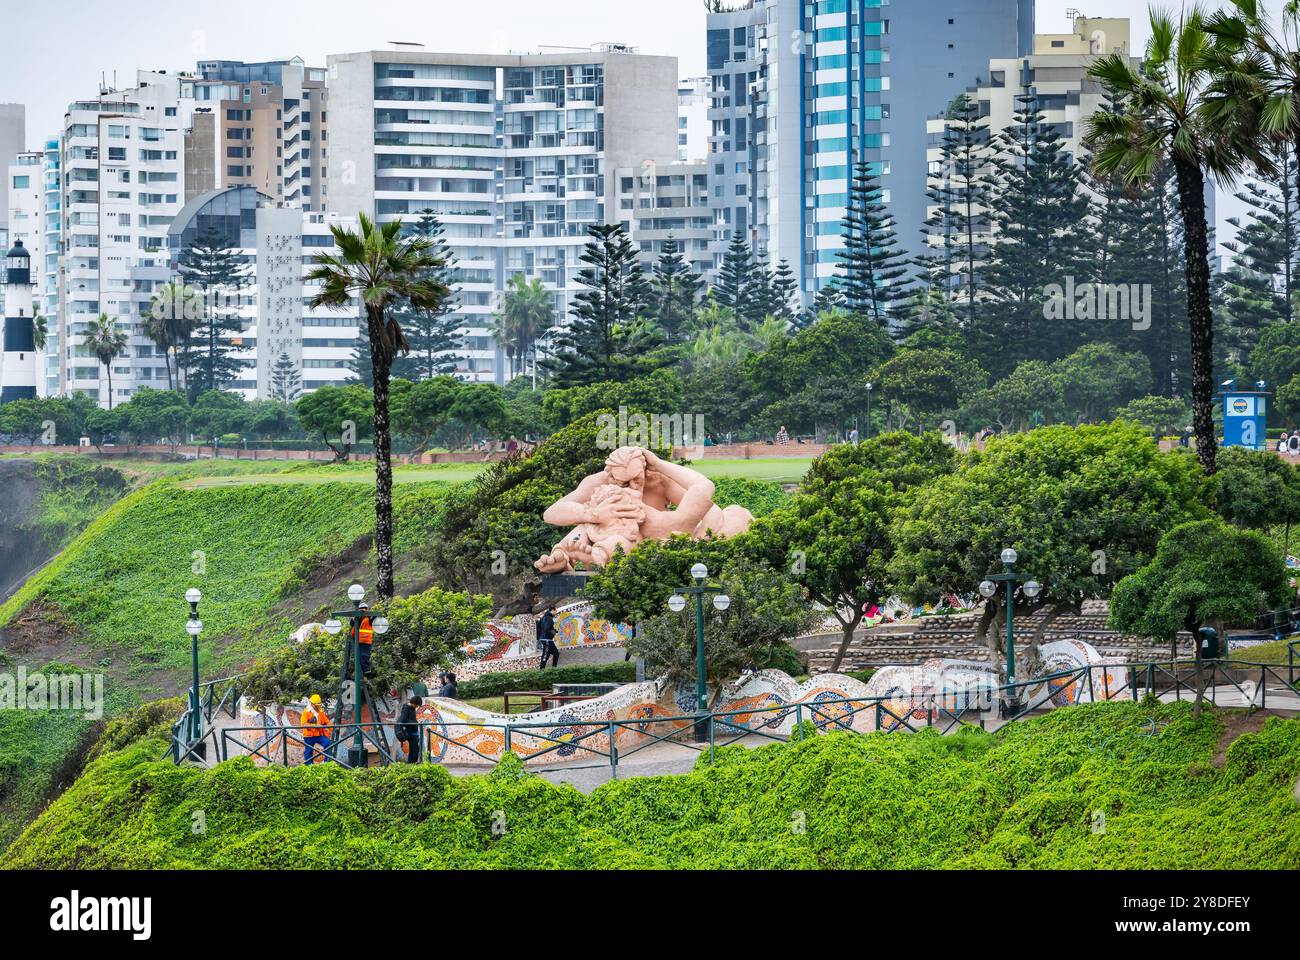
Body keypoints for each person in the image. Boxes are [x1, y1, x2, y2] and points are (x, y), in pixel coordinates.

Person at [301, 694, 331, 765]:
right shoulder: (306, 712)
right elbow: (303, 724)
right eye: (316, 705)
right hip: (308, 736)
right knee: (308, 752)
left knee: (328, 743)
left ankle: (327, 763)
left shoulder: (320, 712)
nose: (318, 706)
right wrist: (315, 725)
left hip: (318, 735)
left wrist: (334, 728)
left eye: (319, 704)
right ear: (312, 704)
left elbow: (327, 722)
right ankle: (308, 767)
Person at [396, 695, 422, 764]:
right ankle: (411, 764)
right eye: (417, 705)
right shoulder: (406, 708)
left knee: (414, 749)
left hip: (413, 731)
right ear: (414, 703)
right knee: (414, 750)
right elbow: (403, 720)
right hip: (410, 732)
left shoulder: (412, 708)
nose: (417, 707)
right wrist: (415, 722)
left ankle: (411, 764)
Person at [536, 603, 560, 669]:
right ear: (553, 610)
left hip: (545, 639)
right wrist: (553, 632)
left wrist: (552, 630)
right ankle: (543, 670)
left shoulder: (544, 617)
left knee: (553, 654)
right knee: (546, 655)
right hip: (547, 640)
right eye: (556, 610)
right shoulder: (548, 618)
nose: (556, 612)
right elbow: (546, 629)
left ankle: (552, 669)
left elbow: (539, 627)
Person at [356, 604, 374, 676]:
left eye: (364, 609)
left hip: (366, 641)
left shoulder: (369, 618)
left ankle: (367, 671)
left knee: (365, 656)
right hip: (359, 641)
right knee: (360, 657)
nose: (362, 610)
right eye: (361, 609)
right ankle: (365, 671)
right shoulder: (360, 619)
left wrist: (367, 613)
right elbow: (352, 624)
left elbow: (375, 616)